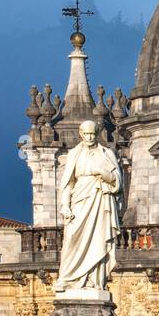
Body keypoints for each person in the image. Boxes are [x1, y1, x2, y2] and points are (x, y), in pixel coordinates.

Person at [55, 120, 122, 293]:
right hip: (79, 198)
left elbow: (118, 181)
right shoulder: (74, 154)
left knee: (99, 237)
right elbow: (67, 183)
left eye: (92, 134)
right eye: (86, 134)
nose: (90, 137)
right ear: (80, 134)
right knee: (72, 237)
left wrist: (104, 173)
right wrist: (65, 205)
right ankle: (68, 277)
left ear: (97, 133)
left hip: (100, 198)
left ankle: (94, 280)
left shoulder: (107, 153)